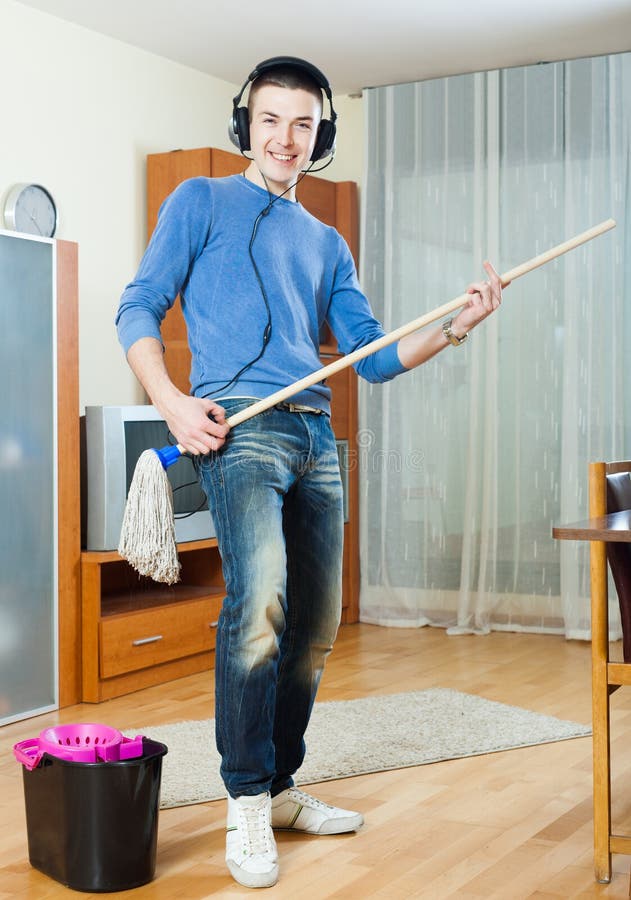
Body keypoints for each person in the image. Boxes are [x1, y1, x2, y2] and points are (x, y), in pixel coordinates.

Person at [116, 56, 504, 890]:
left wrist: (458, 325)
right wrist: (172, 401)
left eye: (301, 123)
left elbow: (372, 357)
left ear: (318, 134)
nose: (284, 137)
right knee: (258, 606)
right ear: (244, 124)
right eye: (269, 119)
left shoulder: (326, 240)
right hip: (240, 431)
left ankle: (282, 783)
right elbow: (138, 305)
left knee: (317, 625)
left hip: (315, 437)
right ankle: (246, 801)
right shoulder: (201, 201)